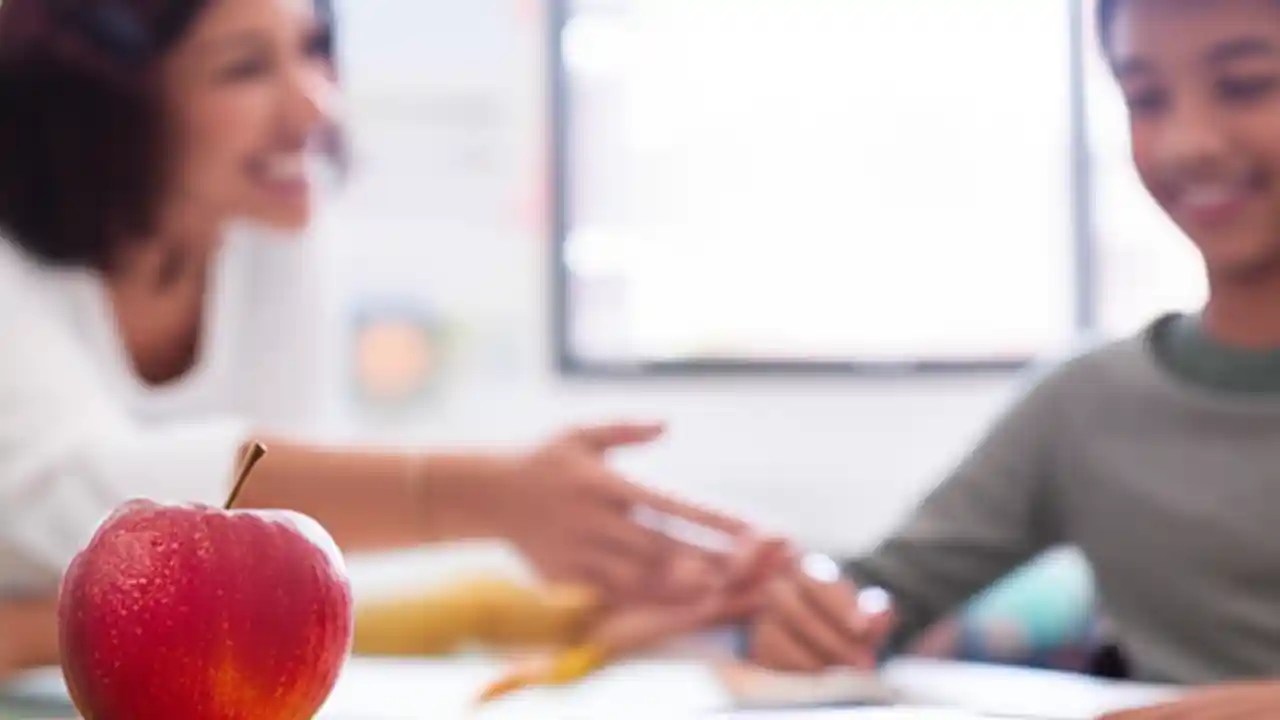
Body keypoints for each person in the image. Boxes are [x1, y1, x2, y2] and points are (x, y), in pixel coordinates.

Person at [0, 0, 758, 679]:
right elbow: (64, 496)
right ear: (97, 105)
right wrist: (480, 493)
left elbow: (270, 571)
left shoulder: (271, 236)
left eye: (312, 48)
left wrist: (588, 609)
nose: (315, 107)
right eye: (244, 69)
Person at [750, 0, 1280, 696]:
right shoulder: (1086, 403)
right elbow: (877, 596)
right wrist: (805, 612)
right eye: (1145, 98)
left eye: (1246, 84)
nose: (1188, 142)